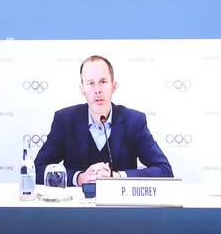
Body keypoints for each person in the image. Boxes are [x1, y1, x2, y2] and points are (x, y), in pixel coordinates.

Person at [34, 55, 173, 186]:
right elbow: (37, 169)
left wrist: (118, 177)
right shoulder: (65, 120)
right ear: (82, 89)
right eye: (90, 83)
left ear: (114, 86)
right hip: (75, 208)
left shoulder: (134, 121)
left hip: (119, 208)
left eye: (103, 82)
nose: (97, 90)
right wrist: (79, 178)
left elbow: (165, 171)